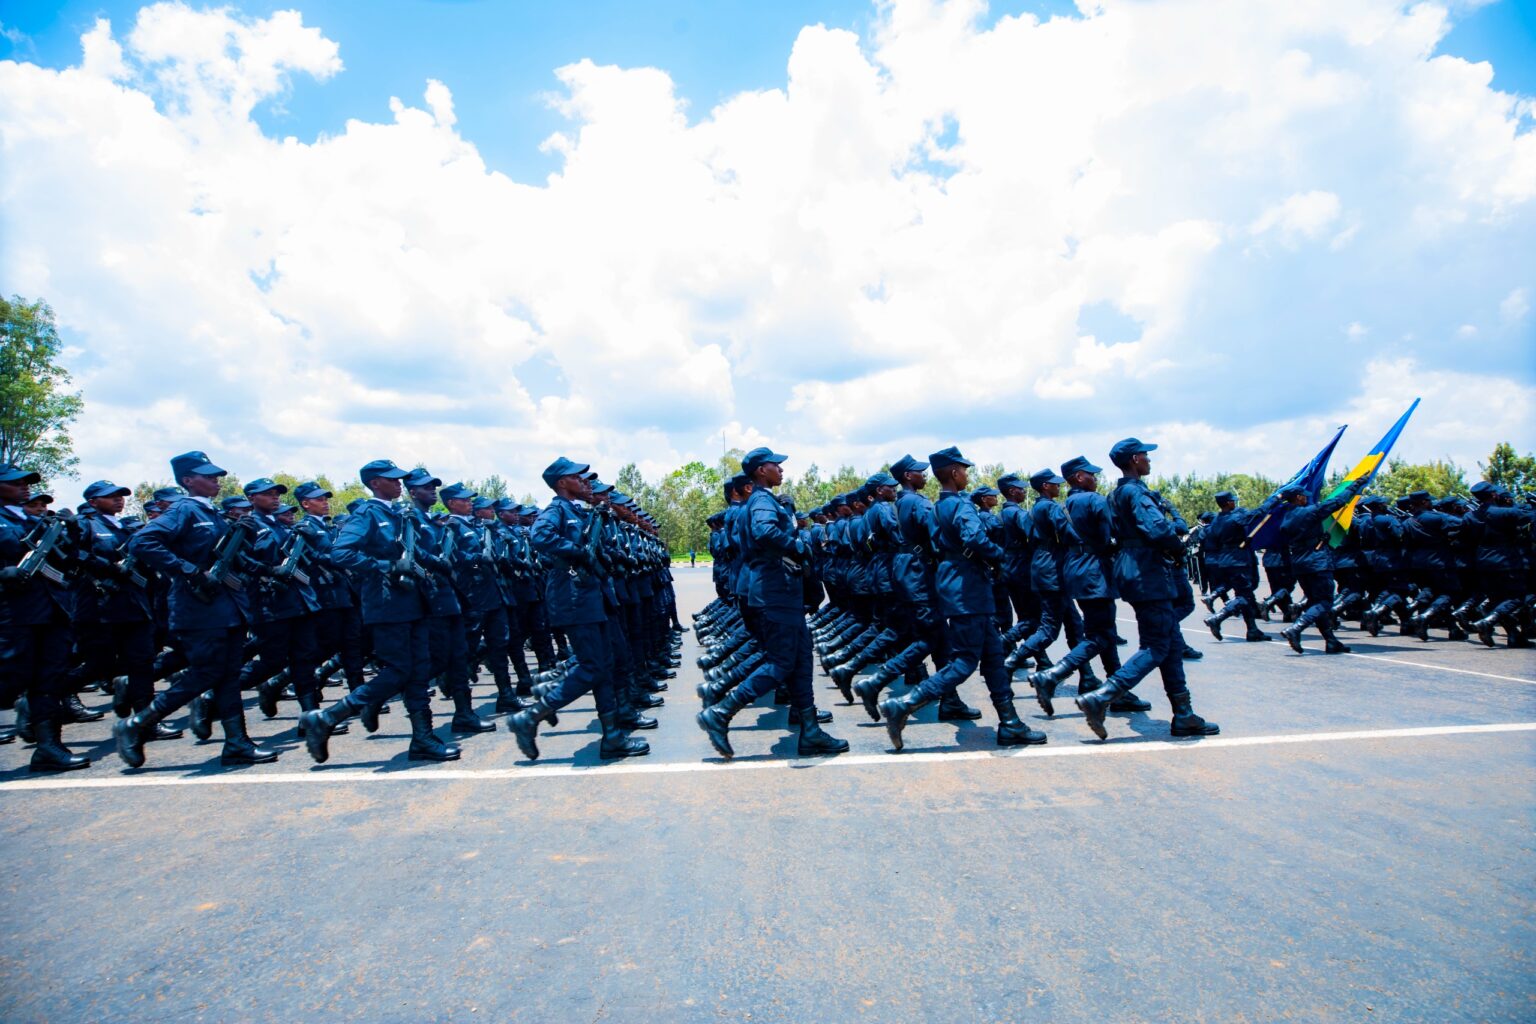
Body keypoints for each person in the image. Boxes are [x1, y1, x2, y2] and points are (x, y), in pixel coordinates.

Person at [877, 447, 1047, 752]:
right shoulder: (960, 506)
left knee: (993, 657)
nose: (967, 474)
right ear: (954, 473)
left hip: (960, 585)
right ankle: (904, 704)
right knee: (965, 660)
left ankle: (1010, 723)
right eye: (964, 469)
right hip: (968, 588)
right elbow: (976, 539)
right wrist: (999, 557)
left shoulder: (939, 506)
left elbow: (934, 543)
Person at [117, 451, 278, 768]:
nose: (216, 480)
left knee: (228, 676)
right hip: (199, 608)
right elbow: (143, 543)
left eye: (217, 476)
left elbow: (230, 559)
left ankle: (236, 743)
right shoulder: (184, 510)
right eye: (208, 475)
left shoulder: (215, 514)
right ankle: (136, 724)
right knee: (206, 672)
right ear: (187, 480)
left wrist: (255, 555)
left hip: (226, 607)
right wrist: (188, 570)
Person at [298, 458, 461, 764]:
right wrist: (385, 566)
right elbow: (341, 553)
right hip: (387, 604)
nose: (399, 483)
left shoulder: (399, 514)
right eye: (392, 479)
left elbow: (409, 550)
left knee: (419, 671)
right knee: (399, 670)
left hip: (414, 602)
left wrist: (433, 560)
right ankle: (328, 717)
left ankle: (423, 739)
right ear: (375, 483)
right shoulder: (368, 513)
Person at [697, 446, 848, 758]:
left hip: (779, 591)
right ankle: (722, 711)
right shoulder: (763, 500)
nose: (781, 470)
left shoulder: (761, 500)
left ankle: (810, 731)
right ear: (760, 471)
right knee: (780, 662)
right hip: (774, 591)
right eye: (775, 466)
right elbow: (765, 532)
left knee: (801, 658)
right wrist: (796, 545)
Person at [1076, 438, 1219, 741]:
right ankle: (1101, 697)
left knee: (1168, 644)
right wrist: (1178, 546)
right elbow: (1157, 529)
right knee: (1156, 645)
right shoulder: (1135, 492)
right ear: (1134, 460)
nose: (1149, 461)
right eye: (1145, 456)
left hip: (1135, 569)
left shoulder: (1115, 494)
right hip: (1148, 571)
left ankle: (1183, 714)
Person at [507, 459, 648, 761]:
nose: (585, 483)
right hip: (573, 598)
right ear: (561, 483)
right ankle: (531, 716)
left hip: (592, 597)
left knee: (606, 663)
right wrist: (577, 552)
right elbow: (540, 537)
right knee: (593, 667)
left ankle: (612, 736)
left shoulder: (579, 512)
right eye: (577, 478)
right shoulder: (556, 511)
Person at [1, 464, 92, 770]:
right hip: (13, 613)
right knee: (10, 678)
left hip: (52, 609)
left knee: (49, 680)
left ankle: (49, 747)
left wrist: (73, 530)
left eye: (27, 482)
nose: (25, 487)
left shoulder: (36, 521)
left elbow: (68, 559)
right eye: (16, 483)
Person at [1277, 476, 1368, 654]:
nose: (1306, 498)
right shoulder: (1309, 512)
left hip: (1300, 563)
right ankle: (1296, 629)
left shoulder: (1285, 518)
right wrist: (1356, 485)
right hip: (1316, 562)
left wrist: (1319, 538)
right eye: (1303, 496)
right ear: (1297, 497)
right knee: (1325, 602)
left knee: (1315, 603)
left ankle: (1331, 641)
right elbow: (1338, 501)